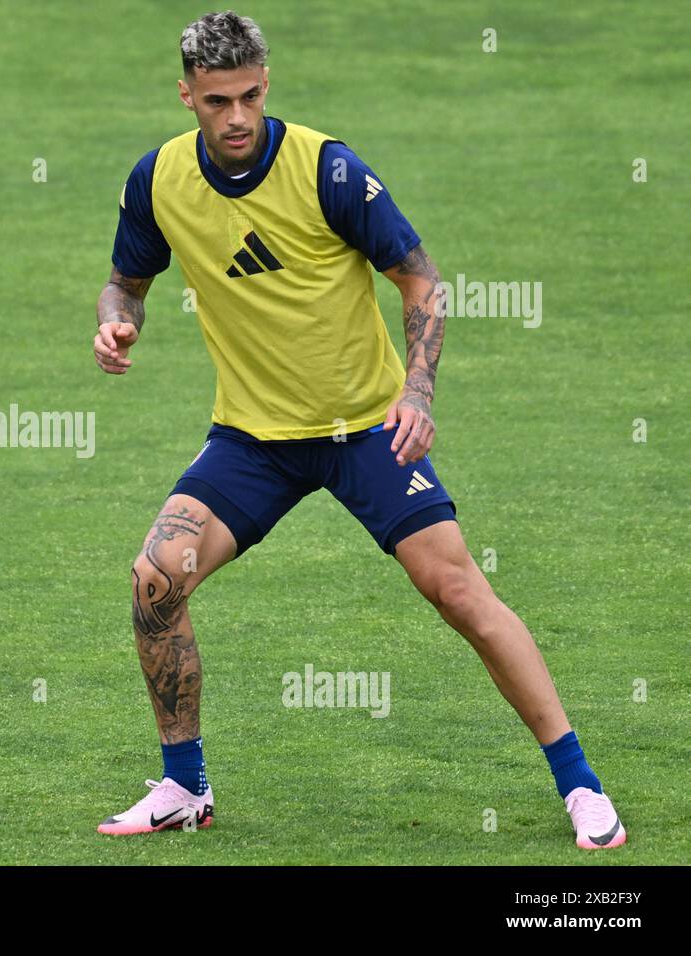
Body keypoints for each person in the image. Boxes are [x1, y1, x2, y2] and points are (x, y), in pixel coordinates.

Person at [91, 10, 625, 851]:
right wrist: (117, 323)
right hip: (254, 439)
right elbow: (127, 280)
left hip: (366, 430)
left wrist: (417, 391)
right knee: (154, 581)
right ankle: (184, 787)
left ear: (269, 82)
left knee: (458, 593)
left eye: (253, 96)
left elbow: (421, 283)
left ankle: (582, 784)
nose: (237, 118)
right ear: (186, 93)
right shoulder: (157, 179)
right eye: (219, 100)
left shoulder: (326, 169)